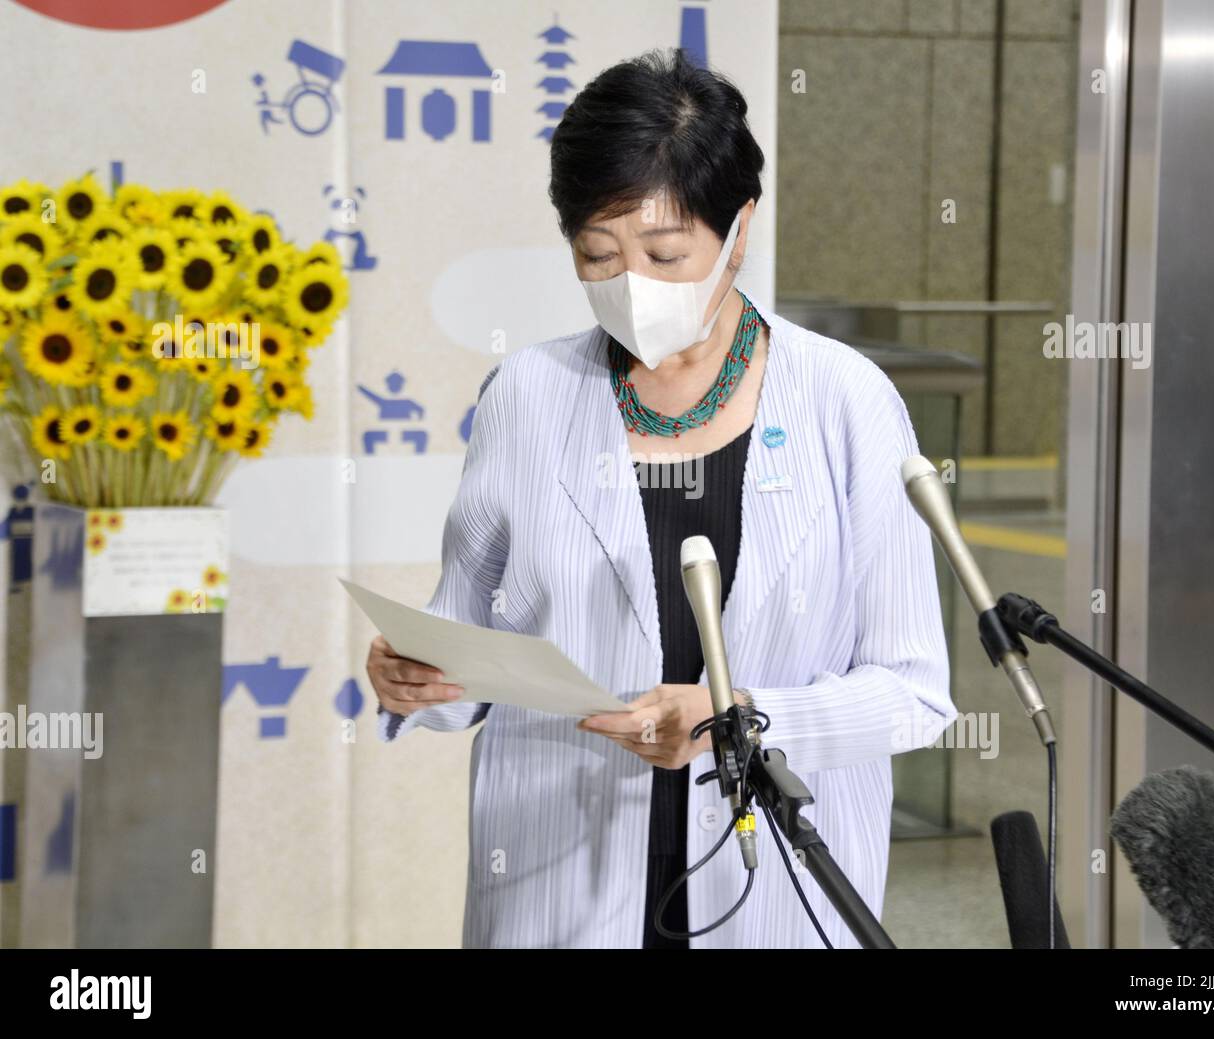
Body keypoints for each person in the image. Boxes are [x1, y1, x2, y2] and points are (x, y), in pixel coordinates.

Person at [367, 48, 956, 949]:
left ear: (739, 230)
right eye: (598, 254)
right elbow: (465, 655)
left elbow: (913, 692)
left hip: (774, 896)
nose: (630, 284)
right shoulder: (527, 395)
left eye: (665, 252)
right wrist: (418, 680)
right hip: (553, 881)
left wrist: (741, 720)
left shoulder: (847, 400)